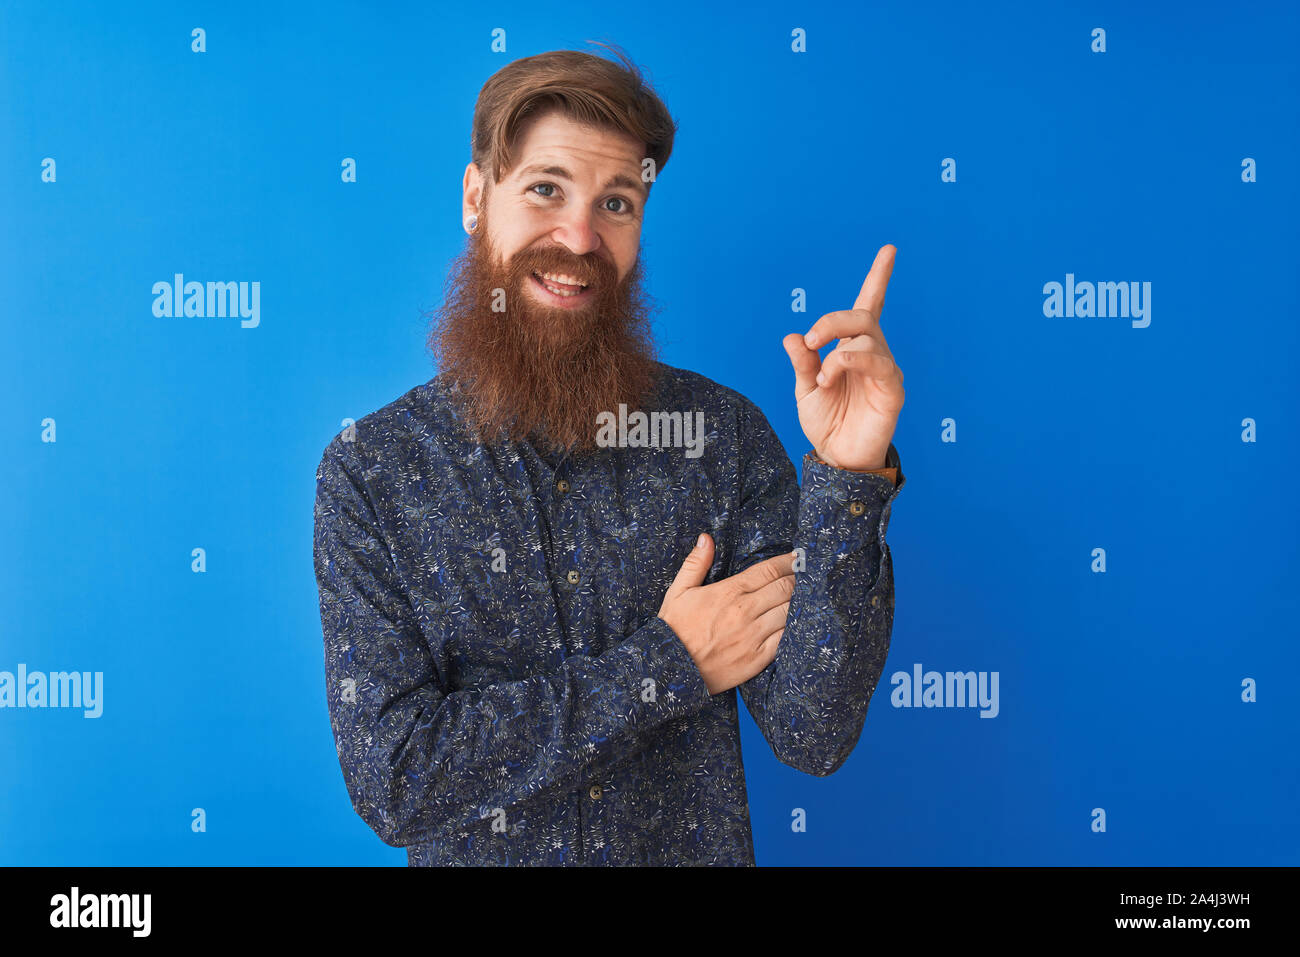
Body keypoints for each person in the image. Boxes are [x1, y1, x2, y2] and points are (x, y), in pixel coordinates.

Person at [312, 44, 907, 866]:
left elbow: (815, 730)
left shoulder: (722, 439)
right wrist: (668, 664)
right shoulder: (371, 473)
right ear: (476, 198)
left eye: (618, 203)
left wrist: (848, 479)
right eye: (546, 189)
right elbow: (399, 778)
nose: (580, 236)